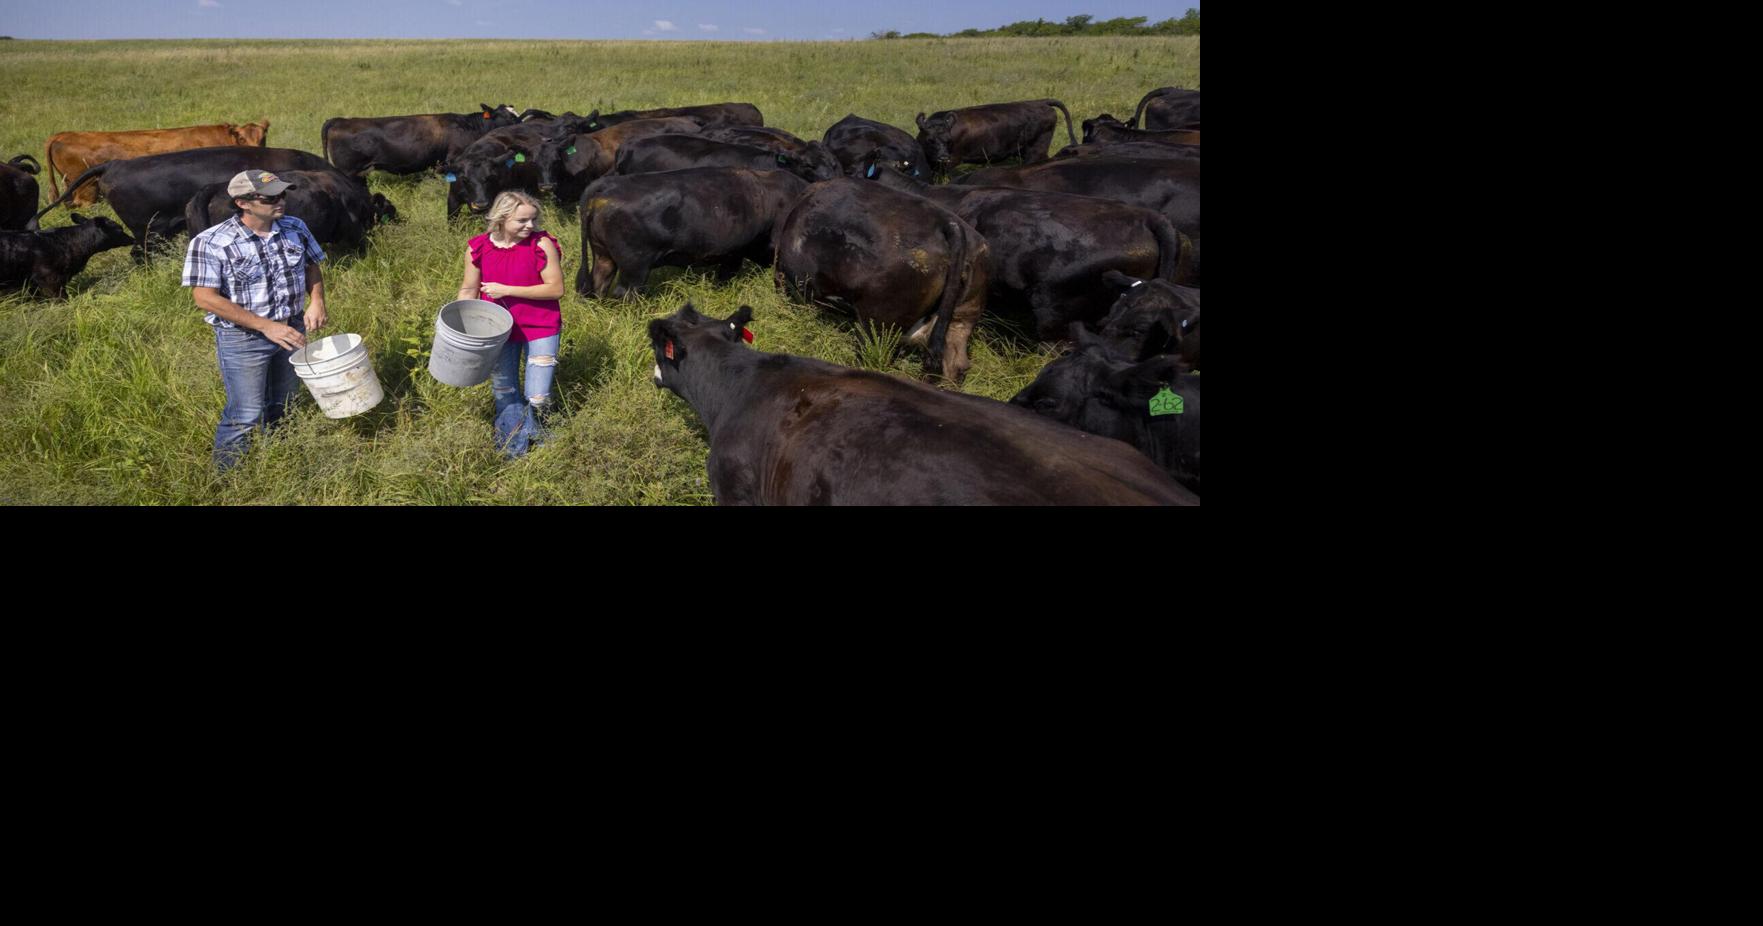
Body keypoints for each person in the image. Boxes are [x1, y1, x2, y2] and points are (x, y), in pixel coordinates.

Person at [182, 169, 327, 471]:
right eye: (271, 197)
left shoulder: (294, 228)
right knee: (245, 413)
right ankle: (229, 479)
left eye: (282, 194)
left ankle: (280, 460)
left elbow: (312, 265)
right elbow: (204, 298)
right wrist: (266, 327)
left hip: (291, 329)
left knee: (284, 403)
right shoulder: (211, 242)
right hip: (244, 339)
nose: (281, 201)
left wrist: (317, 302)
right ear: (243, 203)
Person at [456, 190, 565, 457]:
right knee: (504, 391)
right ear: (502, 219)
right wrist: (460, 325)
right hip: (496, 331)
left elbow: (556, 289)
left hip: (541, 327)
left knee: (537, 395)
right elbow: (469, 289)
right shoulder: (478, 247)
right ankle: (513, 450)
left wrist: (507, 289)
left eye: (533, 219)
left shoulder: (541, 244)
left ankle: (540, 438)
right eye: (522, 221)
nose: (530, 226)